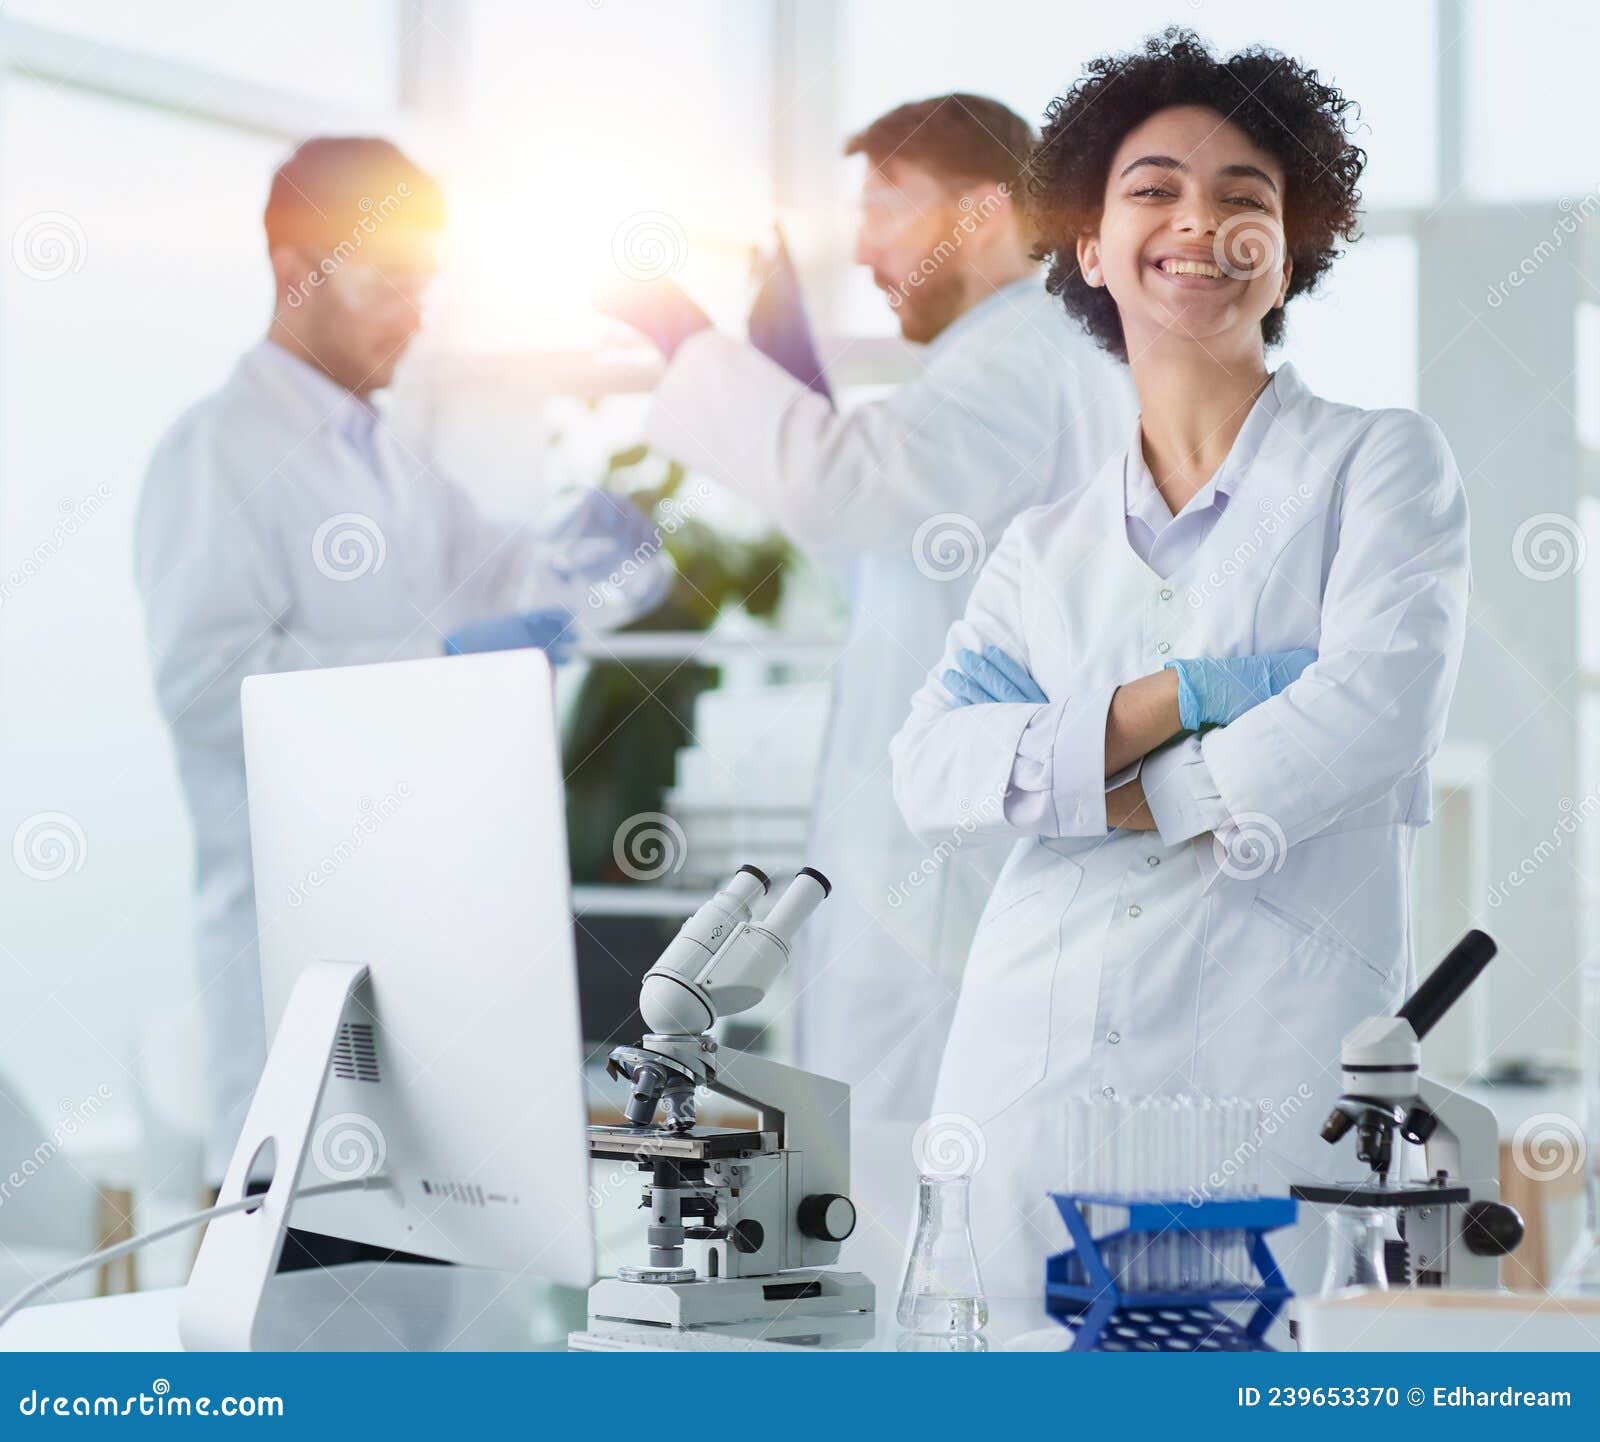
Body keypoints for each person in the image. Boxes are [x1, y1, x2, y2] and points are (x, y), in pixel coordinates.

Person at [890, 30, 1471, 1301]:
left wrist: (1097, 784)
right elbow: (929, 766)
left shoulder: (1378, 464)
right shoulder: (1043, 545)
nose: (1195, 222)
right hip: (1028, 1062)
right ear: (1089, 246)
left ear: (1288, 248)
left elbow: (1372, 705)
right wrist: (1184, 701)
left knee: (1251, 1365)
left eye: (1243, 197)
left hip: (1260, 1065)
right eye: (1151, 189)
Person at [136, 138, 669, 1192]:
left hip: (428, 952)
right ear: (298, 271)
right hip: (296, 968)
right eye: (391, 284)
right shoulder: (218, 448)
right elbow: (205, 686)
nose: (414, 316)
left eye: (426, 286)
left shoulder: (392, 462)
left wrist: (619, 561)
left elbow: (517, 583)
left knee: (438, 1320)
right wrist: (437, 657)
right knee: (314, 1311)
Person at [604, 96, 1134, 1121]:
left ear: (981, 213)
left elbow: (852, 485)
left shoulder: (1016, 362)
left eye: (887, 205)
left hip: (951, 868)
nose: (861, 245)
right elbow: (883, 542)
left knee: (904, 1157)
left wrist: (684, 336)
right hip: (968, 842)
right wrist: (781, 379)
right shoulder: (1029, 357)